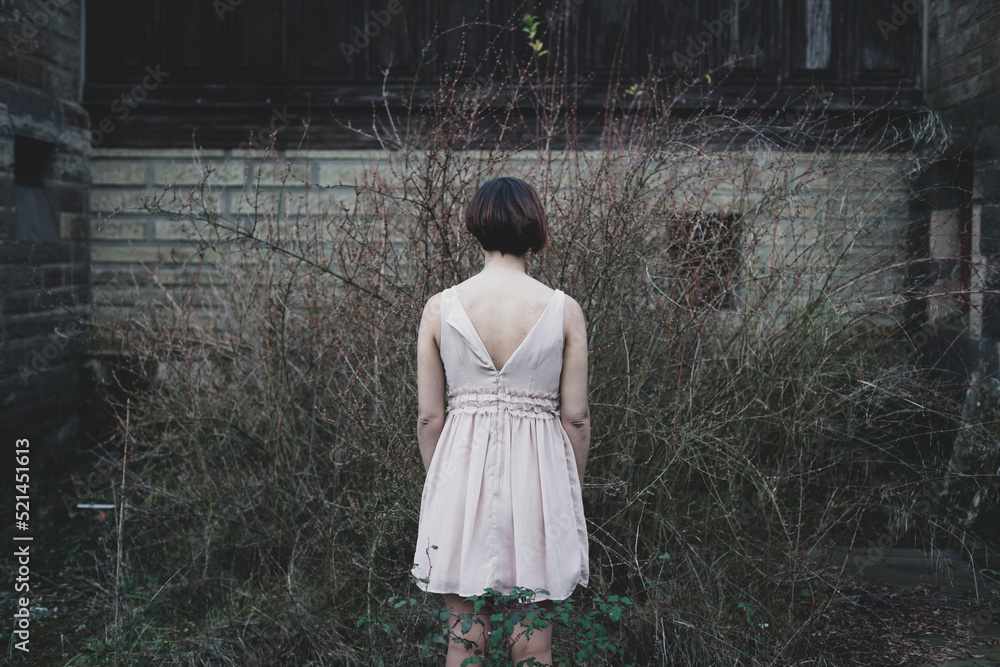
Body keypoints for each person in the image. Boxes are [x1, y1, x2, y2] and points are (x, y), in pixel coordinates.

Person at [411, 177, 591, 666]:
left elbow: (430, 418)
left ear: (477, 226)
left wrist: (444, 482)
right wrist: (565, 486)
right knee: (535, 643)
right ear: (535, 227)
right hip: (540, 481)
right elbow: (575, 417)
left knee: (465, 637)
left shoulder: (440, 309)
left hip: (461, 483)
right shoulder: (563, 311)